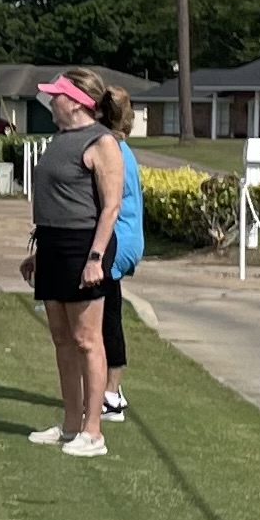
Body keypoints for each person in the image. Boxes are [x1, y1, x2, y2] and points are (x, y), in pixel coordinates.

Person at [18, 68, 129, 458]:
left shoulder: (102, 143)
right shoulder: (60, 139)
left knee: (86, 340)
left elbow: (111, 207)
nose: (51, 102)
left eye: (57, 95)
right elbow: (58, 201)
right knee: (62, 340)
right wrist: (39, 253)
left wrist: (95, 258)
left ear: (77, 100)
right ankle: (70, 425)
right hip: (52, 245)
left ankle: (93, 432)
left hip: (85, 247)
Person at [102, 126, 145, 424]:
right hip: (122, 238)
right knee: (108, 315)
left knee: (106, 319)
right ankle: (110, 391)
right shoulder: (120, 148)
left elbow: (109, 202)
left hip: (117, 240)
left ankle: (111, 395)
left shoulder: (113, 150)